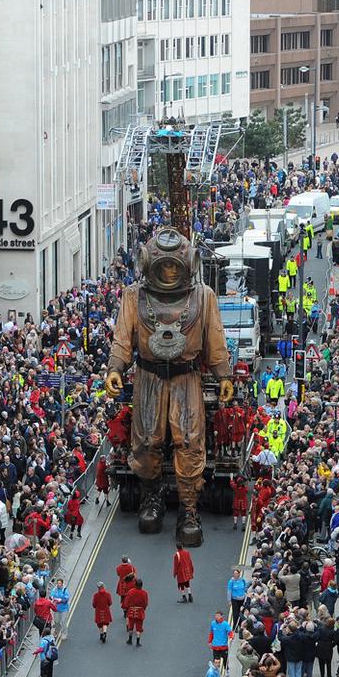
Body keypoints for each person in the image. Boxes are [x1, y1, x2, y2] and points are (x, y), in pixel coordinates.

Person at [105, 228, 234, 545]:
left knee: (189, 440)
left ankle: (189, 509)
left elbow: (215, 341)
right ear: (149, 265)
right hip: (148, 377)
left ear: (189, 265)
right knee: (147, 441)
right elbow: (123, 339)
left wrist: (223, 375)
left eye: (175, 266)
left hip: (185, 377)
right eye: (163, 266)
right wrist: (115, 368)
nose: (170, 272)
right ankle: (152, 497)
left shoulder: (203, 297)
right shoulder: (134, 296)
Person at [123, 577, 150, 646]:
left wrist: (127, 608)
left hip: (131, 611)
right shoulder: (144, 593)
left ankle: (130, 640)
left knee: (131, 626)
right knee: (139, 627)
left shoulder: (130, 592)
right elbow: (145, 603)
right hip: (140, 611)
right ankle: (138, 642)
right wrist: (143, 609)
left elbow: (126, 602)